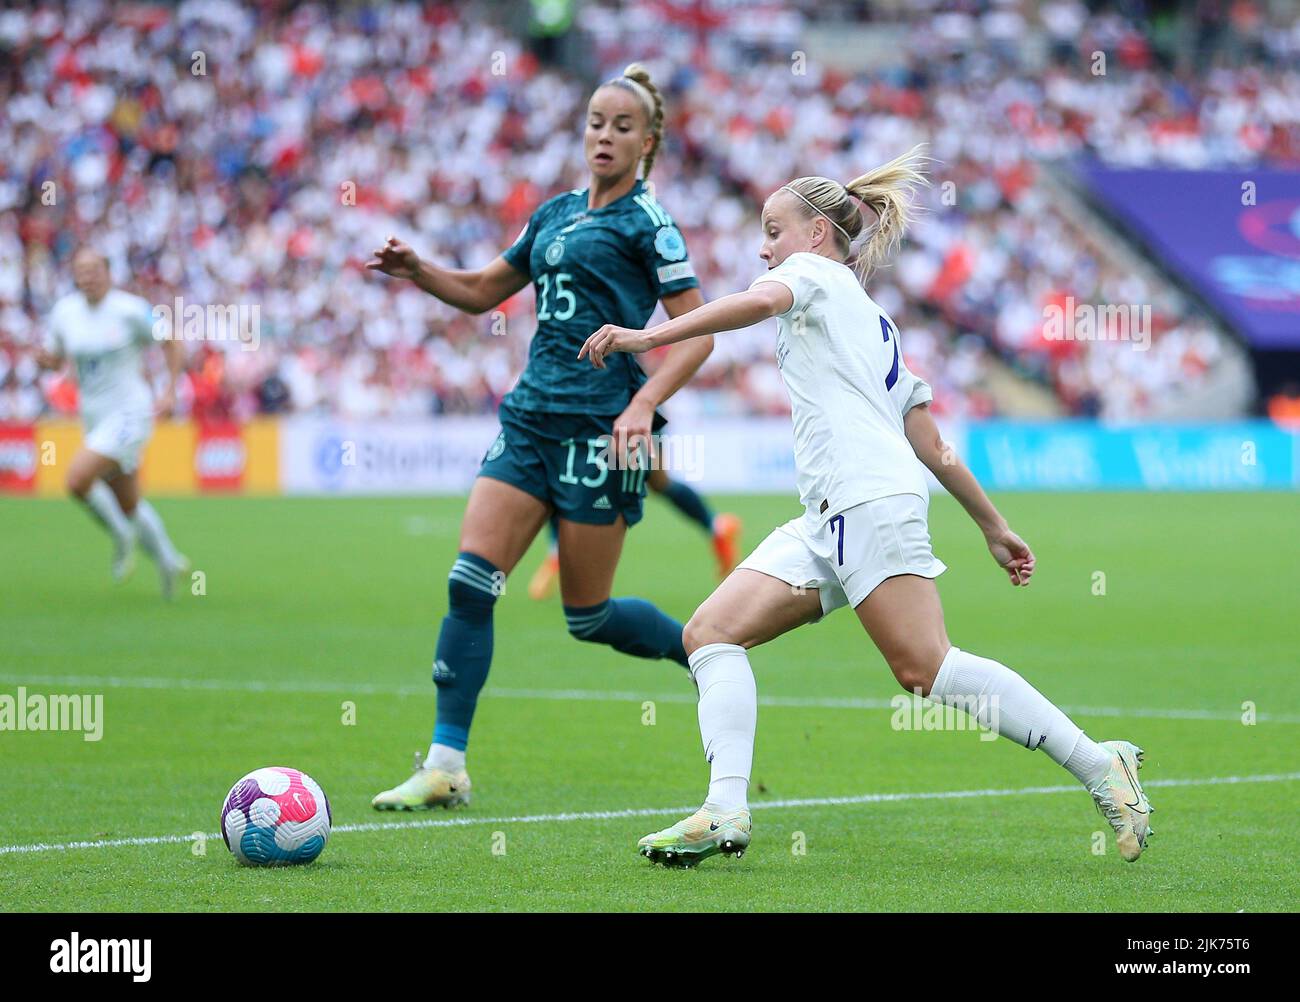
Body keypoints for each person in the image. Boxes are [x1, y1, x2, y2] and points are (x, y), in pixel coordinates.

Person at [579, 148, 1154, 866]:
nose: (765, 247)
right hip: (834, 509)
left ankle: (1102, 764)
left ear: (817, 234)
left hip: (865, 499)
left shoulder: (810, 276)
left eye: (774, 229)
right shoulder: (873, 321)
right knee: (710, 633)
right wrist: (992, 525)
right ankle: (724, 809)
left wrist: (649, 336)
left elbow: (757, 303)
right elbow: (931, 441)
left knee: (924, 668)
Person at [365, 65, 714, 810]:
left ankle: (707, 652)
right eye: (595, 121)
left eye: (622, 126)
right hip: (528, 421)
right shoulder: (554, 212)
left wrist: (641, 405)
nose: (604, 136)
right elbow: (482, 292)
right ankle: (445, 764)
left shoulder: (649, 224)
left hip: (599, 430)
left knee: (588, 617)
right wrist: (418, 269)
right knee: (469, 583)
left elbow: (696, 334)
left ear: (648, 142)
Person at [36, 248, 189, 599]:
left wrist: (169, 390)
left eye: (93, 270)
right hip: (93, 415)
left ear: (108, 272)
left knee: (76, 480)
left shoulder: (129, 309)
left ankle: (122, 536)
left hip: (130, 413)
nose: (87, 276)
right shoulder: (65, 312)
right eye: (80, 270)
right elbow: (55, 360)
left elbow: (172, 341)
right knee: (129, 501)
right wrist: (45, 361)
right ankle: (167, 560)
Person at [527, 474, 742, 599]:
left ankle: (560, 553)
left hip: (615, 411)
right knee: (657, 480)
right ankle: (716, 527)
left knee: (570, 475)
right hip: (629, 410)